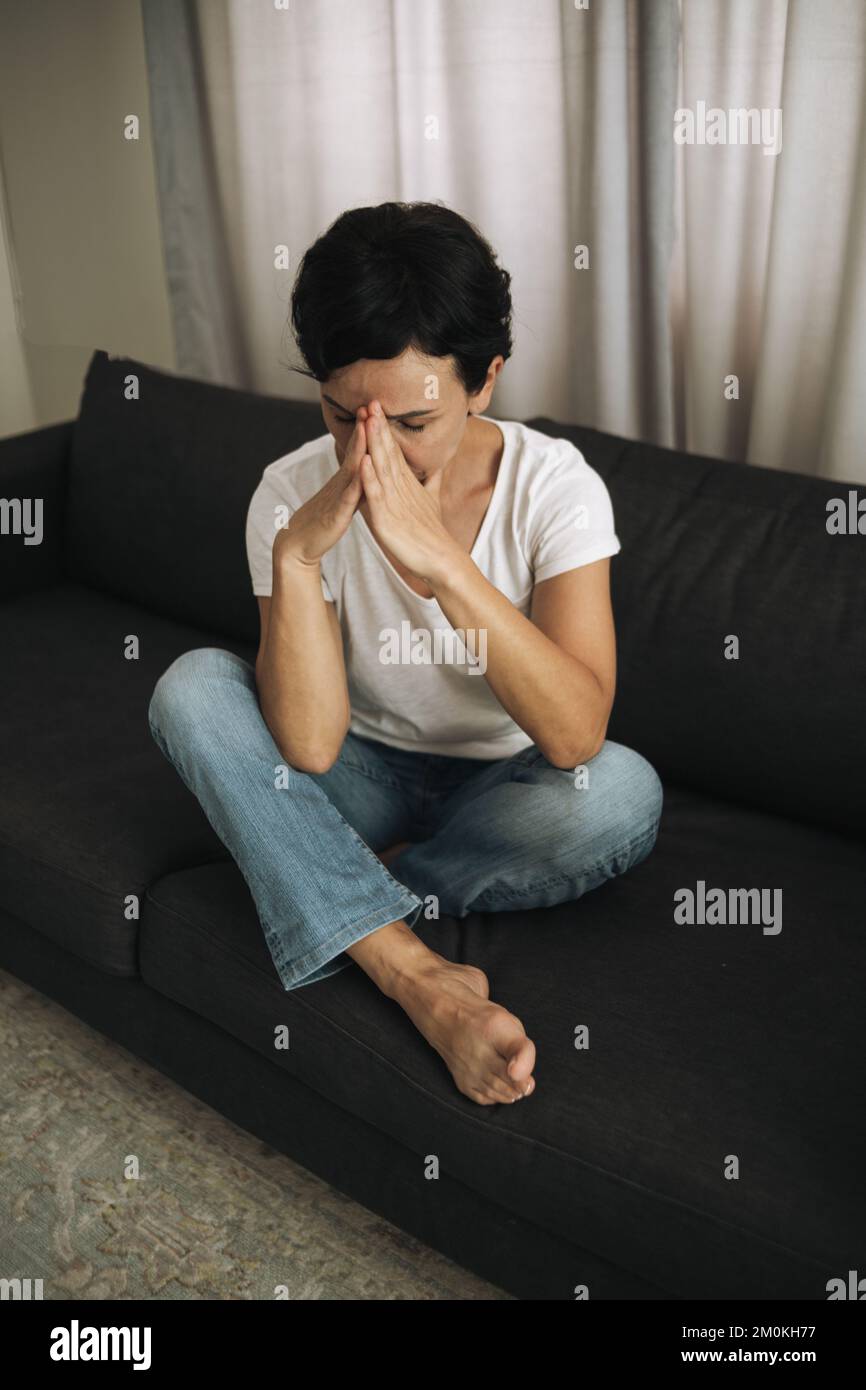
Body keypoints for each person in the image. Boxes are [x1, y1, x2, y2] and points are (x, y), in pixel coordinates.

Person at [148, 201, 663, 1108]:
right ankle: (414, 976)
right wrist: (297, 557)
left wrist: (445, 565)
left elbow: (576, 734)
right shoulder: (288, 493)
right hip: (357, 769)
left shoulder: (555, 486)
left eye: (412, 422)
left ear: (485, 380)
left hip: (502, 785)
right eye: (342, 415)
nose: (370, 449)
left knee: (621, 794)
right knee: (191, 689)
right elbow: (306, 749)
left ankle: (326, 881)